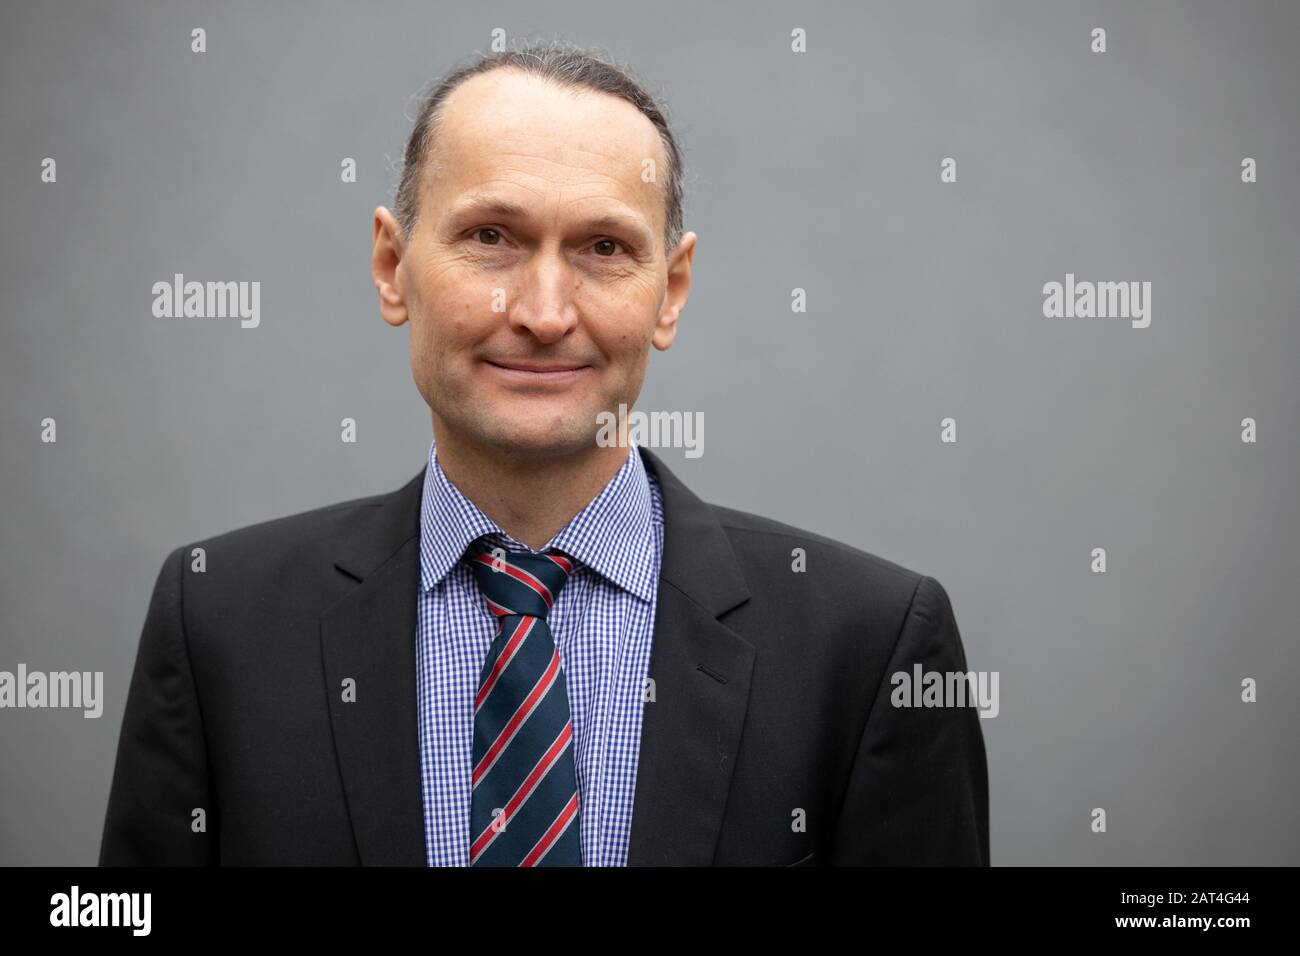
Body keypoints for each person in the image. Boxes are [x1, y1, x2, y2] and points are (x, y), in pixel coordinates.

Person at [99, 40, 988, 867]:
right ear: (391, 264)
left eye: (604, 249)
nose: (544, 312)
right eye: (491, 236)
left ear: (669, 292)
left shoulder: (869, 649)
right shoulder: (219, 620)